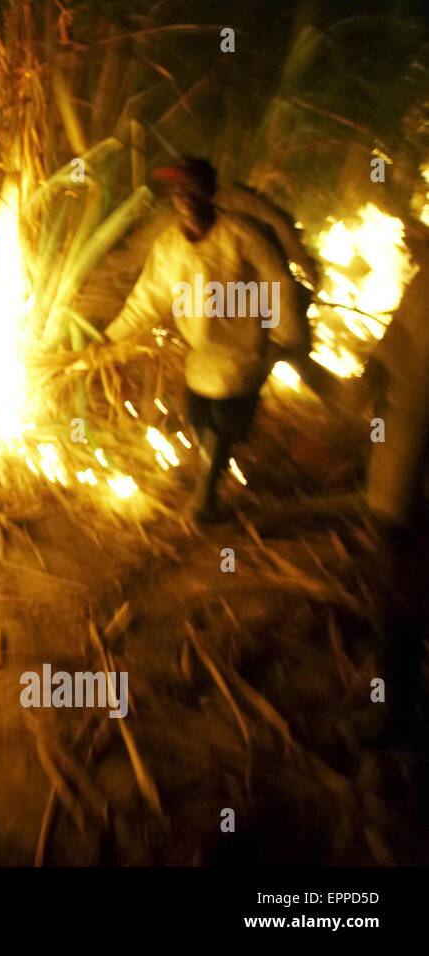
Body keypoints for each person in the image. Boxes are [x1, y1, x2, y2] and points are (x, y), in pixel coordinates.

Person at [98, 157, 311, 523]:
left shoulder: (242, 236)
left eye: (192, 187)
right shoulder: (169, 246)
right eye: (177, 190)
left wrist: (284, 338)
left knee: (223, 423)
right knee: (200, 418)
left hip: (245, 348)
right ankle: (212, 474)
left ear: (210, 193)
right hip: (203, 353)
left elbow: (279, 284)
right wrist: (109, 338)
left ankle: (204, 499)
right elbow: (146, 300)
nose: (183, 196)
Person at [349, 216, 429, 744]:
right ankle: (396, 711)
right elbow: (398, 340)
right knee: (395, 599)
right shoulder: (425, 286)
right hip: (402, 475)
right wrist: (372, 375)